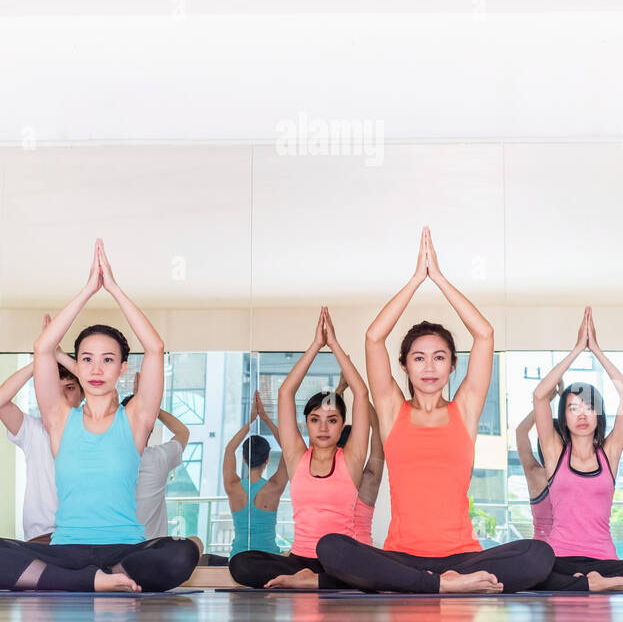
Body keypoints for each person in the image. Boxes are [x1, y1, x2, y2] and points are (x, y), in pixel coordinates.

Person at [317, 228, 555, 593]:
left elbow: (485, 334)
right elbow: (373, 337)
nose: (429, 367)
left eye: (439, 357)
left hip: (464, 558)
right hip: (402, 555)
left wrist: (439, 279)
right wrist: (416, 280)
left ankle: (423, 584)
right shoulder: (392, 408)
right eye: (419, 358)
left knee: (538, 555)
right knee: (330, 548)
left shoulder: (466, 409)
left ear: (452, 366)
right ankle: (440, 585)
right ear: (406, 367)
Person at [0, 239, 200, 592]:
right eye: (86, 358)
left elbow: (155, 347)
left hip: (126, 550)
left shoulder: (135, 420)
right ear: (76, 364)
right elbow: (42, 348)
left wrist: (113, 288)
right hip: (66, 550)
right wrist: (88, 290)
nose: (96, 367)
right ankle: (93, 581)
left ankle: (94, 578)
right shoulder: (59, 418)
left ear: (122, 368)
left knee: (180, 554)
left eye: (107, 359)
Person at [528, 307, 623, 593]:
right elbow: (539, 396)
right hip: (560, 560)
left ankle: (588, 584)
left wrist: (595, 349)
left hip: (605, 560)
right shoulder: (554, 453)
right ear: (565, 415)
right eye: (573, 408)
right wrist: (576, 350)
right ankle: (591, 585)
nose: (582, 413)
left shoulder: (608, 453)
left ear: (599, 414)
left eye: (588, 407)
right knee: (530, 567)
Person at [229, 307, 370, 588]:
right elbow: (285, 393)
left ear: (343, 426)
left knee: (347, 555)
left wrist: (334, 345)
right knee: (240, 564)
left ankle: (315, 581)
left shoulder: (350, 459)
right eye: (315, 420)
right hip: (299, 559)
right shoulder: (297, 458)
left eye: (332, 421)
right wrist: (316, 345)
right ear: (305, 424)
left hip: (341, 558)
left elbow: (362, 393)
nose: (323, 427)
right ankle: (314, 580)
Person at [0, 314, 84, 544]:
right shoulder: (33, 429)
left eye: (70, 387)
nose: (62, 394)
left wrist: (58, 354)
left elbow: (101, 389)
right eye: (56, 387)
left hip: (84, 536)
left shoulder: (96, 426)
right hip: (41, 537)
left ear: (83, 394)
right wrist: (42, 358)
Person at [121, 371, 190, 540]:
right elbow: (183, 431)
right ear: (150, 427)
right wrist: (152, 407)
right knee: (195, 543)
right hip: (152, 552)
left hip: (115, 551)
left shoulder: (105, 458)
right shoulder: (159, 458)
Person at [222, 392, 288, 557]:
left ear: (244, 459)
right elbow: (288, 448)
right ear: (267, 460)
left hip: (238, 560)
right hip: (270, 560)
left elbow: (229, 449)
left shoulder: (232, 486)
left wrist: (250, 422)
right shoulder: (274, 488)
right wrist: (265, 418)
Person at [334, 372, 383, 546]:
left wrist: (340, 387)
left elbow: (326, 421)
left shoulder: (323, 473)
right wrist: (358, 392)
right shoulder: (370, 478)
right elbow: (377, 428)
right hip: (363, 555)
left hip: (331, 553)